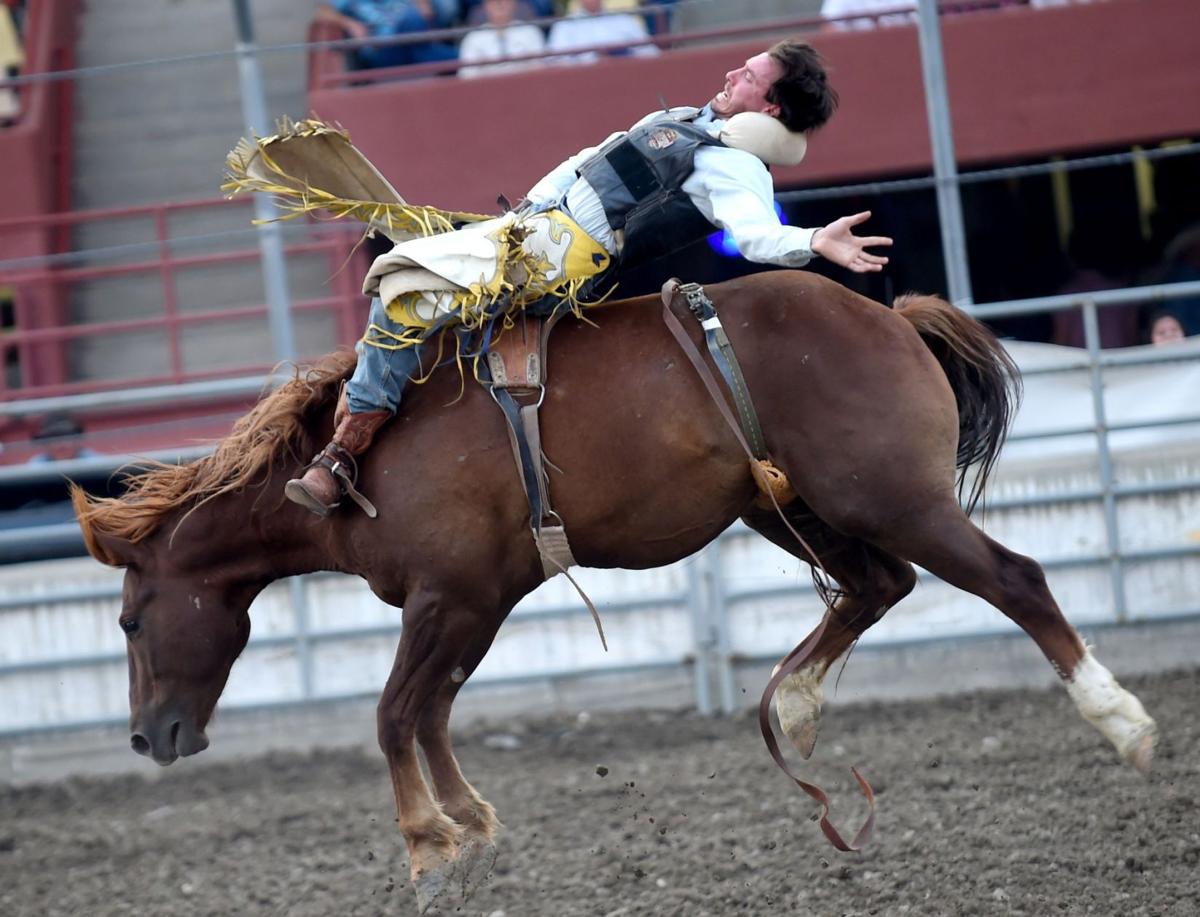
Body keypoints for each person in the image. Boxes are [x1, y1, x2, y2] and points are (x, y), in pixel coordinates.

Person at [279, 39, 893, 518]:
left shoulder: (734, 166)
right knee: (418, 250)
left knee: (400, 294)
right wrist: (522, 215)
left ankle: (342, 457)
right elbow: (588, 161)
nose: (732, 76)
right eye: (742, 68)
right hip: (532, 231)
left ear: (771, 107)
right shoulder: (688, 121)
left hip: (559, 263)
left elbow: (756, 236)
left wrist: (814, 240)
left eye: (750, 77)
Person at [315, 0, 459, 70]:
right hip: (384, 49)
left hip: (416, 41)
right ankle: (462, 59)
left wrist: (422, 4)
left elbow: (427, 13)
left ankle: (464, 58)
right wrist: (351, 24)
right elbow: (322, 12)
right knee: (412, 20)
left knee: (420, 42)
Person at [547, 0, 659, 64]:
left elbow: (650, 51)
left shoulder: (623, 19)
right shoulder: (565, 25)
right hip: (583, 83)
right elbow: (556, 61)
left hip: (626, 78)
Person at [458, 0, 546, 79]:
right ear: (485, 4)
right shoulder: (473, 38)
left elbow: (540, 72)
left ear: (514, 3)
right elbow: (467, 77)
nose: (499, 3)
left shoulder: (530, 32)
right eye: (493, 1)